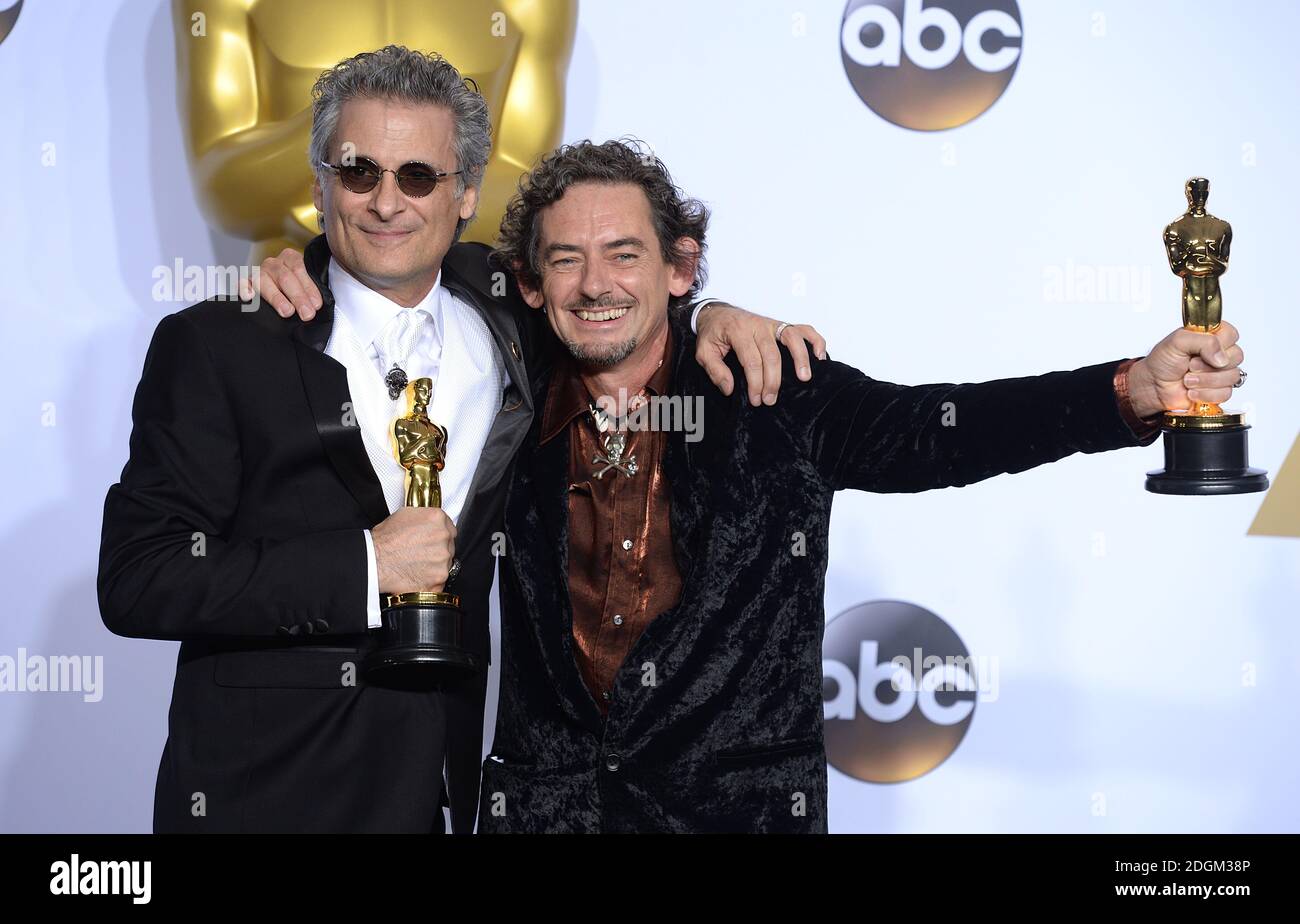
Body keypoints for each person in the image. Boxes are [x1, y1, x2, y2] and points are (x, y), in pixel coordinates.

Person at [261, 138, 1247, 832]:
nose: (594, 284)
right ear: (528, 283)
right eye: (564, 260)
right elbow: (402, 252)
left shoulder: (770, 390)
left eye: (624, 255)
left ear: (680, 267)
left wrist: (1125, 390)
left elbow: (934, 430)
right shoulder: (494, 394)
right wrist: (286, 265)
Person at [98, 47, 819, 834]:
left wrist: (708, 316)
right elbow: (140, 575)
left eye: (417, 177)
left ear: (466, 193)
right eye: (358, 172)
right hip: (262, 798)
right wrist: (367, 566)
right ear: (319, 185)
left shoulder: (515, 316)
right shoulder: (220, 345)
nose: (385, 203)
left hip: (445, 800)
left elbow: (618, 305)